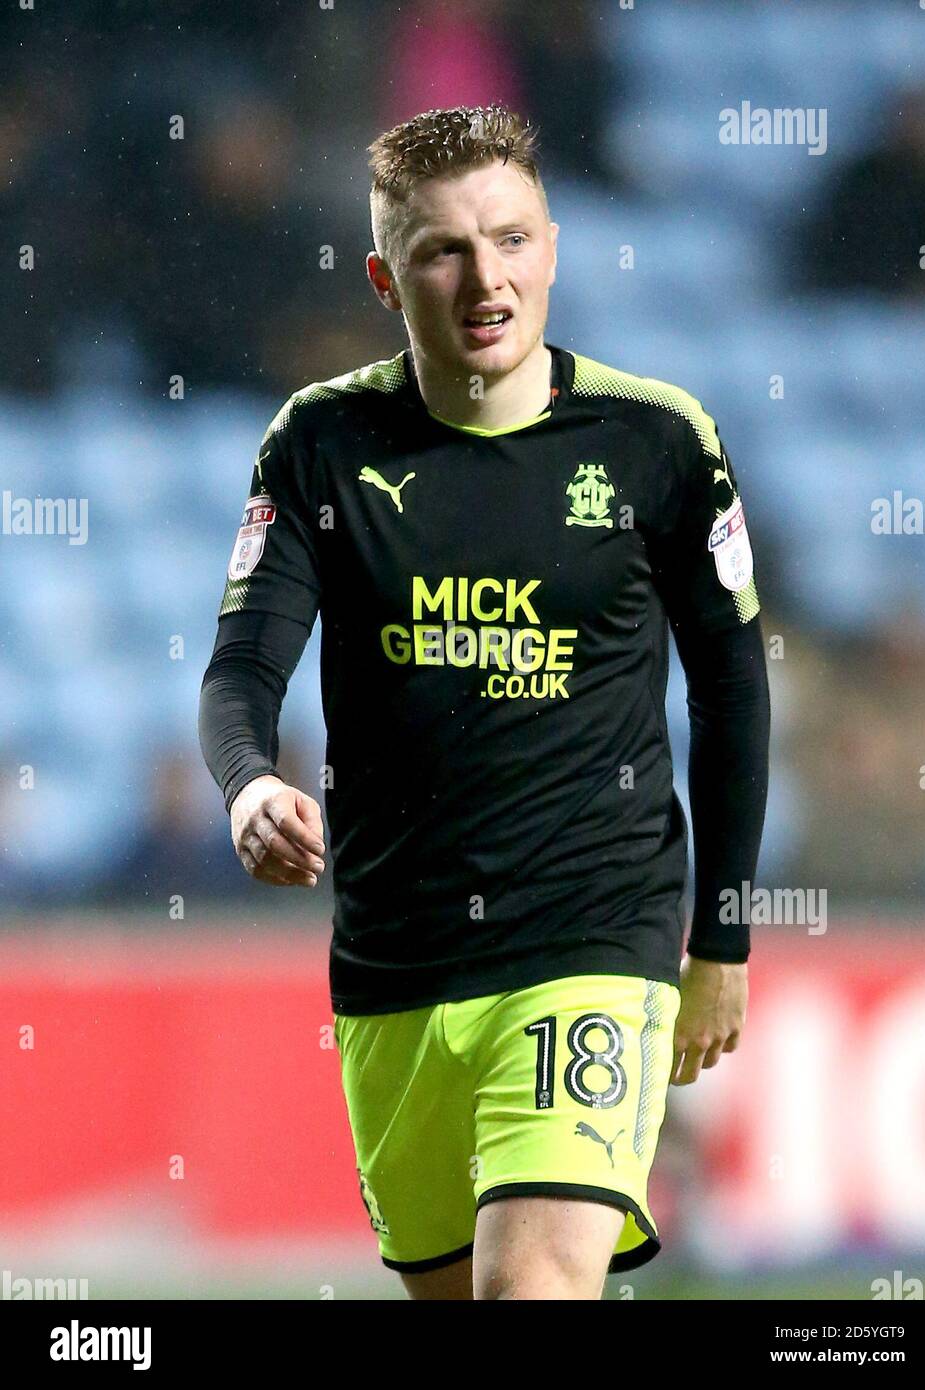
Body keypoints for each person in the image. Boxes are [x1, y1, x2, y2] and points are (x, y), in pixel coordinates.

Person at [198, 104, 770, 1301]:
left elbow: (729, 688)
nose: (484, 279)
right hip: (394, 959)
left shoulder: (655, 442)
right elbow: (244, 668)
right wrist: (250, 778)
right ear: (382, 277)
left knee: (534, 1292)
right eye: (442, 252)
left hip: (591, 937)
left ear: (552, 247)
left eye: (509, 240)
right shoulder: (320, 445)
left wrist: (718, 940)